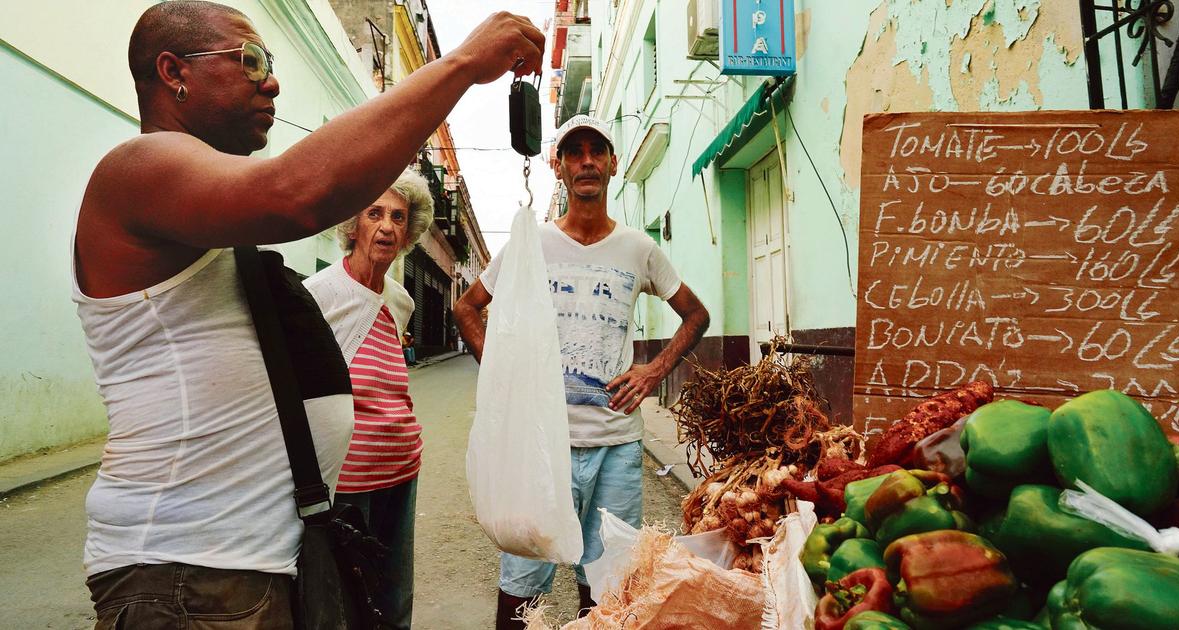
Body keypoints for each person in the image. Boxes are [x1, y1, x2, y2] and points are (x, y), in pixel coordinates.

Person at [71, 1, 543, 627]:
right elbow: (296, 195)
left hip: (241, 566)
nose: (271, 80)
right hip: (185, 574)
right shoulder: (137, 168)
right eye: (251, 61)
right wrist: (459, 66)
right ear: (173, 72)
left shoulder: (200, 207)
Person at [453, 114, 711, 629]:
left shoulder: (639, 249)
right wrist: (507, 381)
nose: (587, 160)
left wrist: (654, 371)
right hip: (541, 449)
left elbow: (696, 314)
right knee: (522, 591)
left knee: (609, 591)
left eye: (597, 151)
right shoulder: (533, 245)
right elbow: (467, 308)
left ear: (613, 166)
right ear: (560, 168)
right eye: (575, 152)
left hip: (616, 446)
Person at [302, 168, 432, 629]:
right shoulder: (319, 295)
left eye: (398, 217)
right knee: (344, 601)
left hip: (401, 468)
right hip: (347, 479)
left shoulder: (401, 302)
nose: (387, 226)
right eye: (374, 213)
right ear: (352, 225)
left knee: (395, 595)